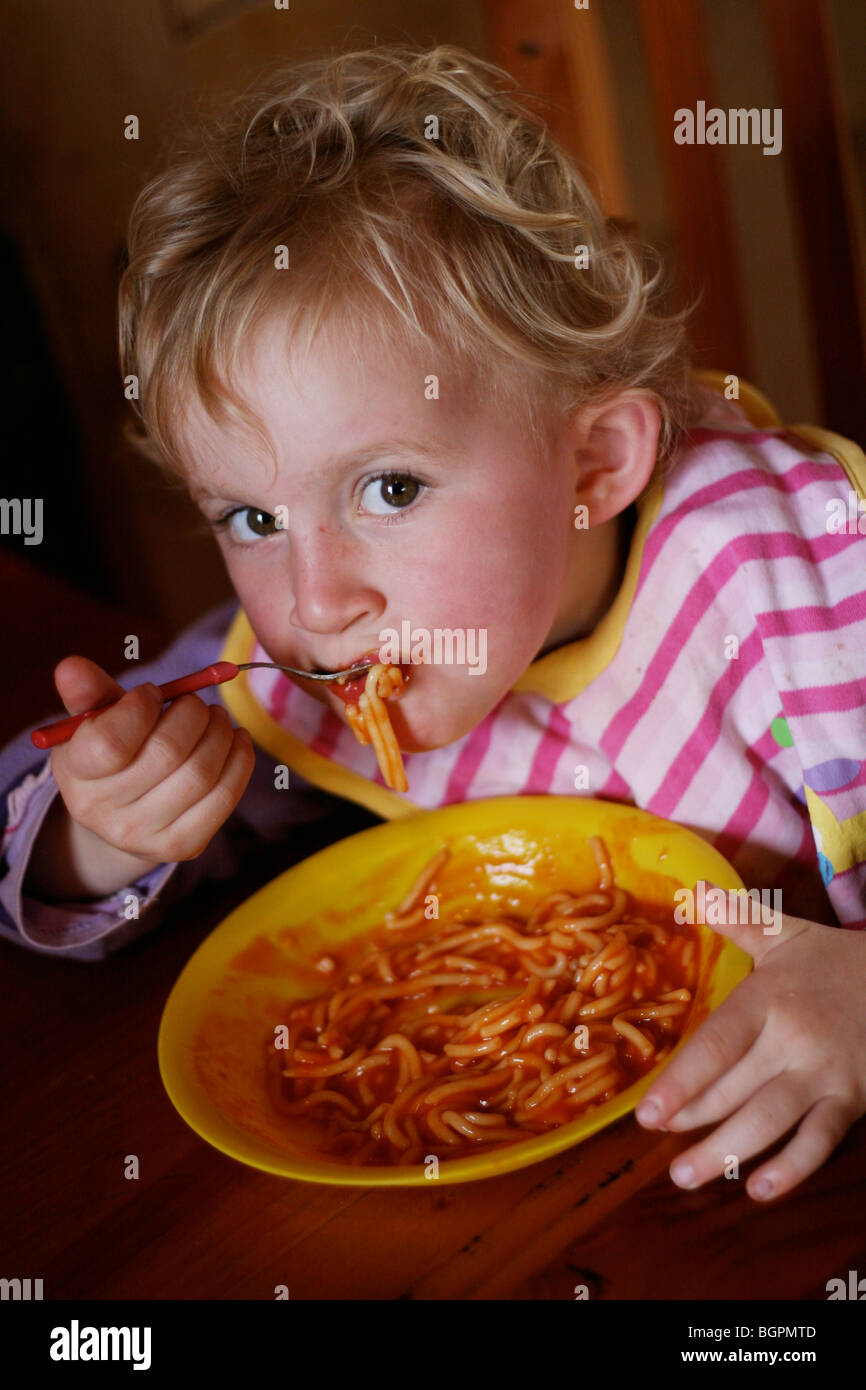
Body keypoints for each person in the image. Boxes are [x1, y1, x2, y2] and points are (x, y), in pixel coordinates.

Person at [3, 44, 865, 1202]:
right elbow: (34, 823)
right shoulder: (308, 655)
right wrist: (100, 831)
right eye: (251, 513)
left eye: (390, 490)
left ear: (592, 460)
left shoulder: (797, 584)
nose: (315, 599)